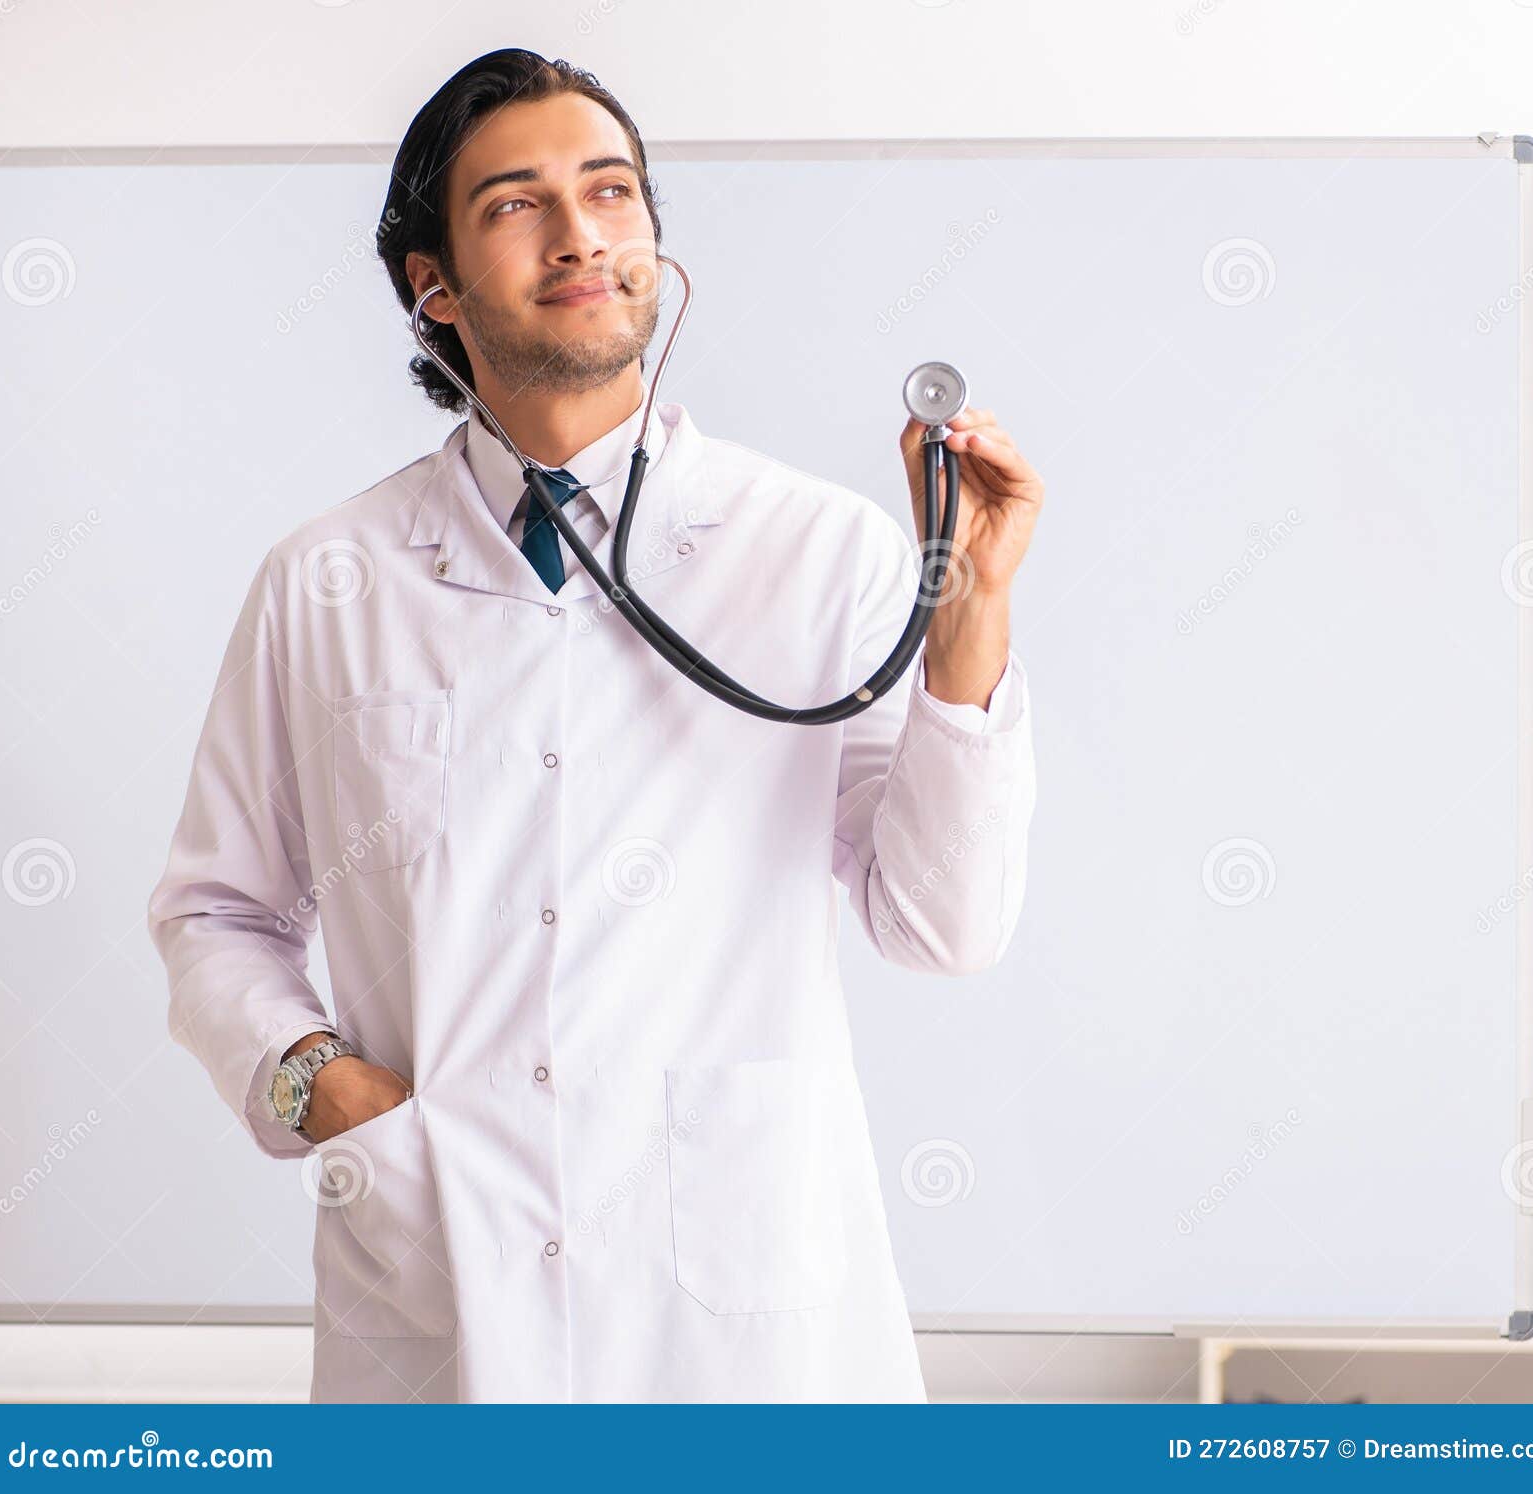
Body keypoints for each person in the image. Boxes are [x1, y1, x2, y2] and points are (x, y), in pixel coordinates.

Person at [147, 47, 1042, 1404]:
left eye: (612, 192)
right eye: (516, 204)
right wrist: (312, 1080)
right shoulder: (331, 579)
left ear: (655, 243)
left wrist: (969, 622)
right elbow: (216, 912)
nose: (581, 234)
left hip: (754, 1330)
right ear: (430, 286)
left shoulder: (815, 547)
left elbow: (945, 927)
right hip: (443, 1296)